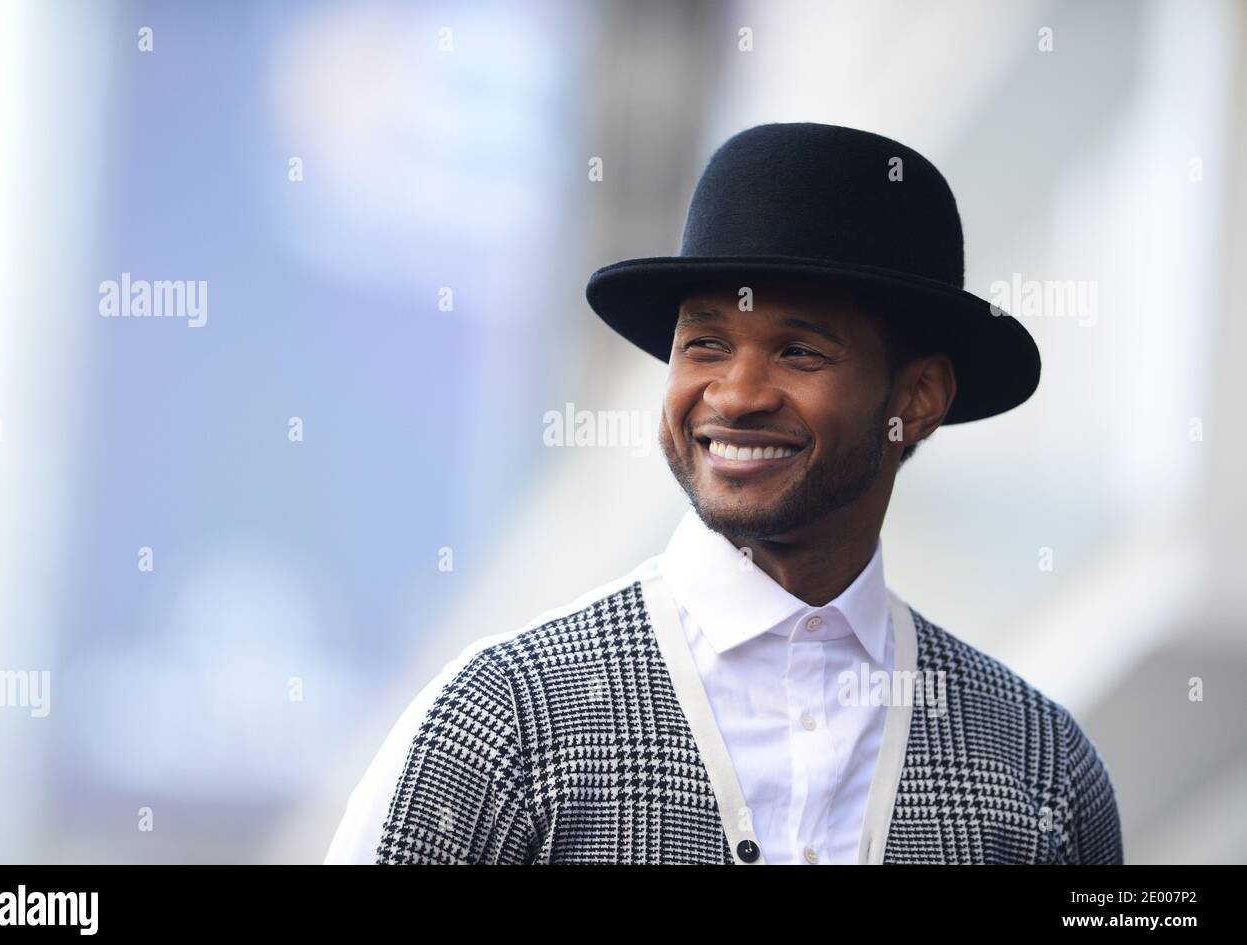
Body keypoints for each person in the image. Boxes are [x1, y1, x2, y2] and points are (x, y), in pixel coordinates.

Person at [325, 122, 1122, 864]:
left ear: (917, 399)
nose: (735, 394)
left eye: (799, 350)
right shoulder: (502, 720)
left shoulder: (1040, 769)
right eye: (704, 343)